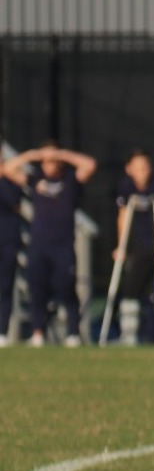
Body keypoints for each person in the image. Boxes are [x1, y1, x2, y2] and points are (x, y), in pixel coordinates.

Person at [3, 143, 97, 346]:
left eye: (53, 160)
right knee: (37, 288)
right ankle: (38, 333)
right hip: (39, 244)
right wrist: (32, 154)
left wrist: (62, 154)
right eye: (46, 161)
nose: (49, 164)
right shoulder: (36, 179)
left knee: (65, 286)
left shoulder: (70, 180)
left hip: (62, 244)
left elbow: (89, 165)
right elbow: (8, 170)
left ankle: (73, 333)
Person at [112, 151, 154, 345]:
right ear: (129, 169)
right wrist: (121, 246)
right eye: (137, 168)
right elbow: (122, 216)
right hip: (138, 247)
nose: (142, 172)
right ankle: (129, 334)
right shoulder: (125, 186)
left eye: (145, 167)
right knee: (131, 291)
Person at [0, 159, 23, 345]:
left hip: (7, 240)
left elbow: (15, 203)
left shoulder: (11, 179)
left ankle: (2, 332)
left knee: (5, 286)